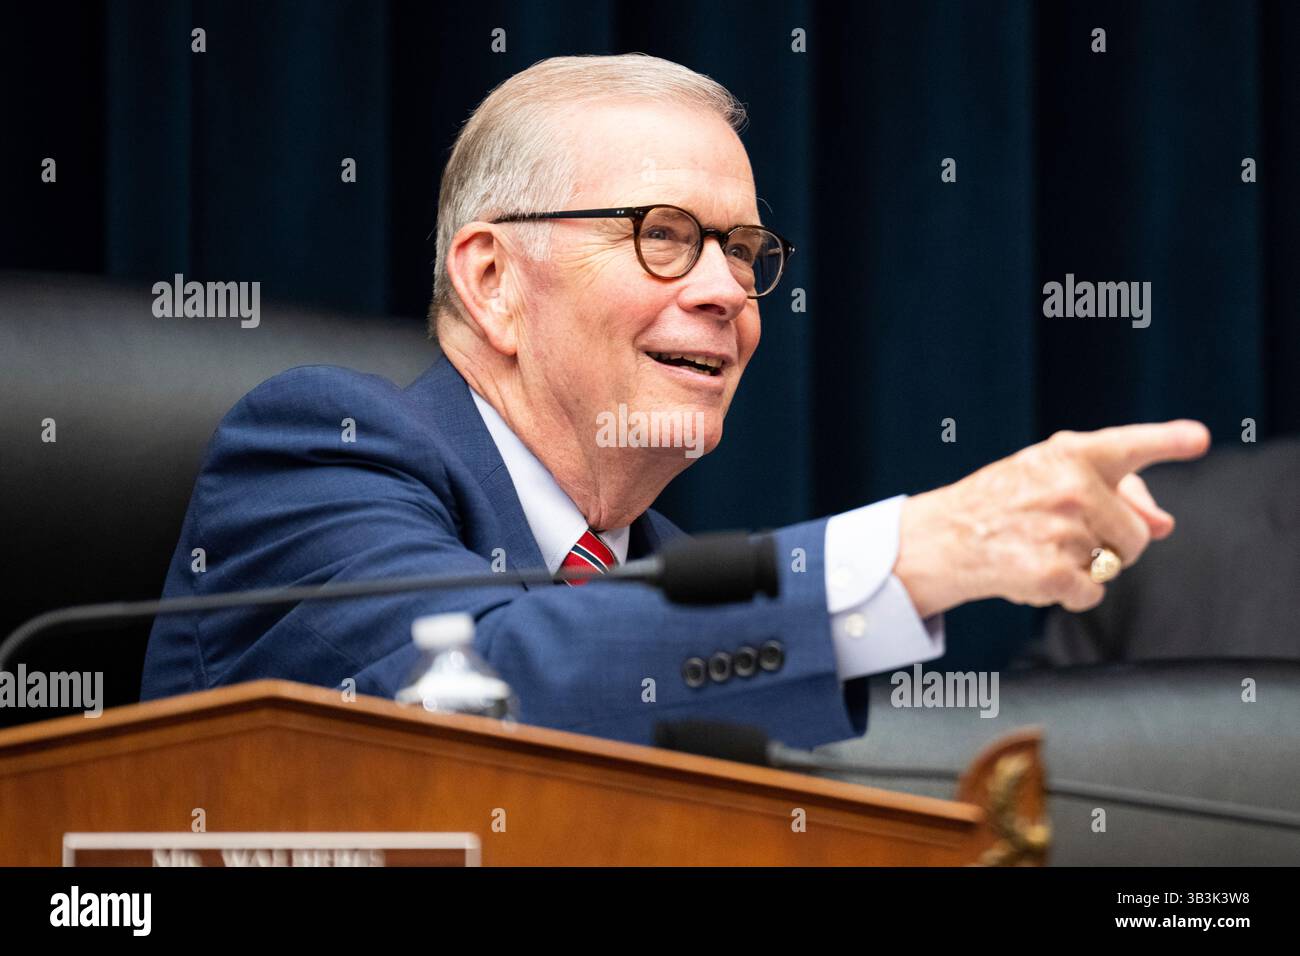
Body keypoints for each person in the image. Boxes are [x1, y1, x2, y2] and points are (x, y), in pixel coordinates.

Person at [140, 54, 1209, 747]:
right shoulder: (317, 450)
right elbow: (476, 696)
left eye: (745, 251)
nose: (724, 291)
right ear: (491, 278)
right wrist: (919, 545)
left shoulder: (669, 576)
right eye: (662, 235)